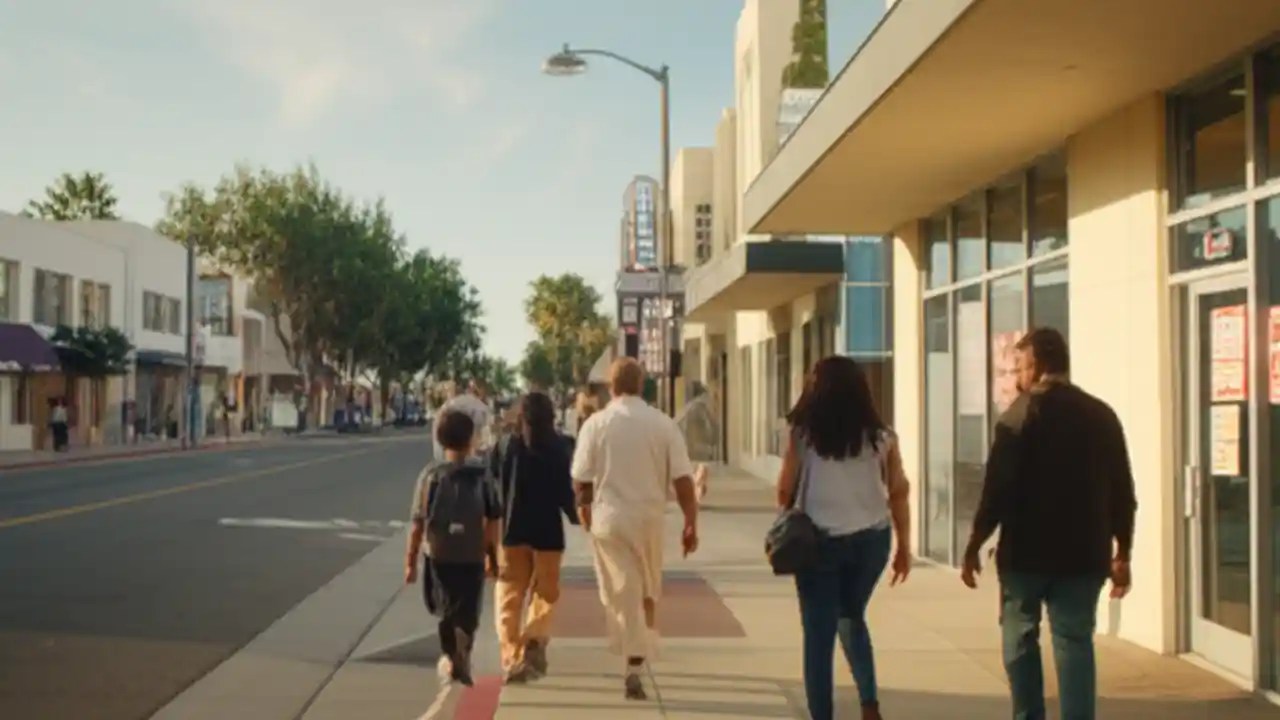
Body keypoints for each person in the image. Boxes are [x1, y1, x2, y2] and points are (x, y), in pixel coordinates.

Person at [960, 327, 1137, 720]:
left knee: (1020, 636)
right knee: (1074, 641)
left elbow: (996, 490)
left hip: (1026, 553)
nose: (1017, 377)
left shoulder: (1018, 417)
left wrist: (975, 542)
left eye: (1019, 367)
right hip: (1083, 554)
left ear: (1037, 365)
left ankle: (1028, 714)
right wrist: (1123, 550)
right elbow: (1123, 490)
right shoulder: (1102, 416)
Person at [776, 356, 911, 720]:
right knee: (852, 615)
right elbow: (898, 492)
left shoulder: (802, 435)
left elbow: (784, 488)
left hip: (819, 545)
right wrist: (905, 547)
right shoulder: (882, 438)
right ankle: (869, 703)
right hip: (872, 542)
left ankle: (823, 715)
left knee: (818, 638)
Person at [571, 358, 699, 701]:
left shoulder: (596, 424)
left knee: (620, 590)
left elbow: (581, 481)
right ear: (641, 385)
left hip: (609, 519)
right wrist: (691, 522)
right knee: (646, 588)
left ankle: (633, 654)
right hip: (649, 518)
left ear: (611, 387)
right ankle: (636, 663)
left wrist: (584, 510)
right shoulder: (663, 425)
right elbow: (684, 480)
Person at [405, 410, 501, 687]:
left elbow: (417, 522)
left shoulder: (430, 475)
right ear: (472, 439)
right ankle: (464, 651)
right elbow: (493, 518)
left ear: (439, 439)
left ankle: (451, 653)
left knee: (445, 607)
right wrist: (491, 555)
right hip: (472, 553)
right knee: (469, 609)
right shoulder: (483, 475)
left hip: (438, 554)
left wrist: (410, 561)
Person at [492, 392, 579, 683]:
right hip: (548, 534)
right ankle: (534, 639)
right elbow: (566, 493)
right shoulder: (559, 447)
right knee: (545, 593)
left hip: (512, 532)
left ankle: (511, 656)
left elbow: (492, 487)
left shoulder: (505, 446)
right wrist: (577, 515)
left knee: (509, 596)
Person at [436, 379, 494, 460]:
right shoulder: (483, 408)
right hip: (471, 455)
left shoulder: (452, 403)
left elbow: (440, 418)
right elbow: (487, 435)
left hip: (449, 451)